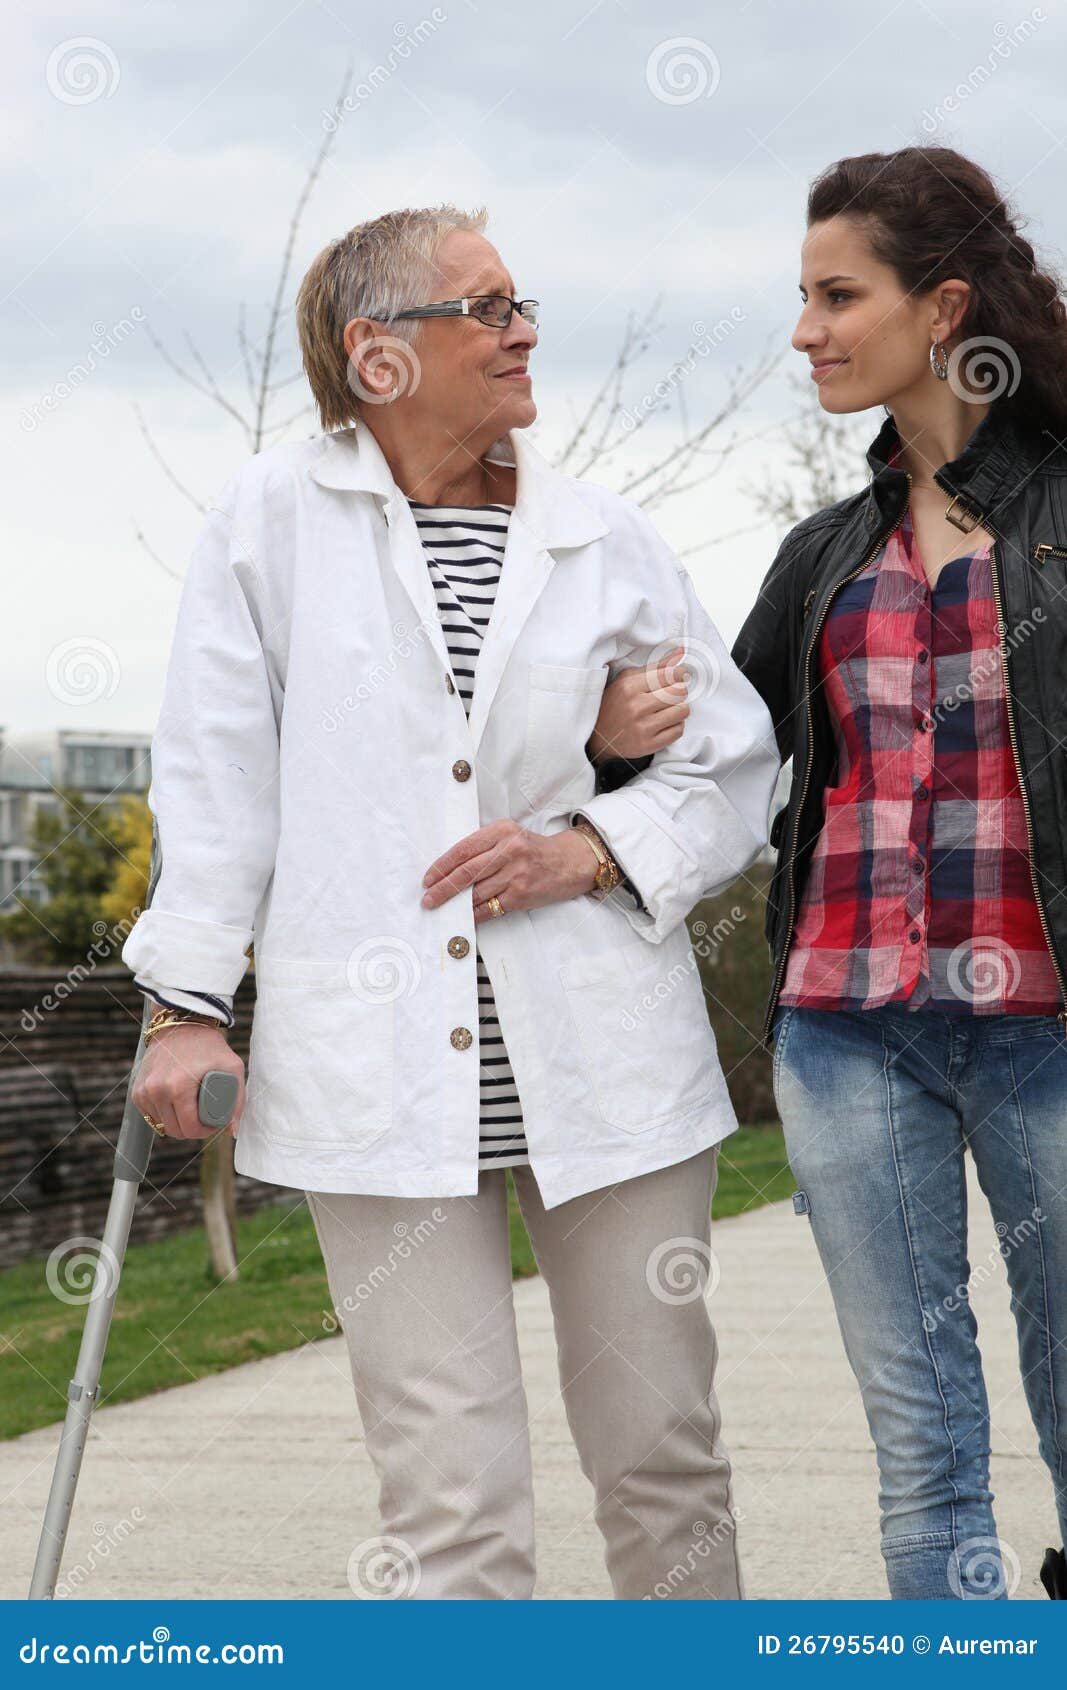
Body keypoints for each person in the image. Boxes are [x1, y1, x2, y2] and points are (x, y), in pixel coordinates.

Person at [122, 204, 779, 1599]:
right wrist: (186, 1002)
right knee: (449, 1490)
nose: (525, 327)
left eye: (520, 300)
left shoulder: (605, 536)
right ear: (379, 357)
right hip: (376, 1074)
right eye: (486, 307)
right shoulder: (266, 527)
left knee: (664, 1452)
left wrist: (587, 845)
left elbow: (732, 761)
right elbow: (219, 778)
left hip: (607, 1062)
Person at [729, 146, 1067, 1601]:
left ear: (943, 310)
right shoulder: (823, 553)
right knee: (920, 1438)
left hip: (1046, 1030)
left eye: (836, 294)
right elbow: (720, 767)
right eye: (802, 296)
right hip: (847, 1027)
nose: (806, 328)